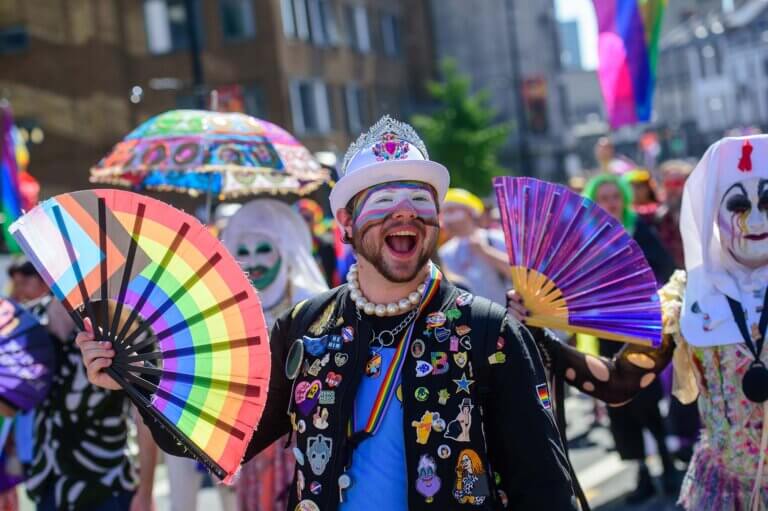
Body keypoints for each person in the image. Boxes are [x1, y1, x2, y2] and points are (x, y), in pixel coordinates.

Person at [78, 116, 578, 510]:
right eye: (384, 201)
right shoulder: (305, 328)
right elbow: (227, 435)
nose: (405, 213)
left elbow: (545, 488)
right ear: (345, 222)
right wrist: (133, 379)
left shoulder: (488, 331)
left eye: (419, 200)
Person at [508, 134, 768, 510]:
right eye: (739, 205)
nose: (756, 219)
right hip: (727, 495)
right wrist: (543, 339)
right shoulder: (685, 297)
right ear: (713, 214)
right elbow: (619, 381)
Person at [8, 261, 158, 511]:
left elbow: (147, 415)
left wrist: (145, 491)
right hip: (48, 484)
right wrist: (5, 479)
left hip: (109, 484)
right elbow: (14, 406)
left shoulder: (127, 326)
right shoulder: (28, 321)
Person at [222, 199, 329, 511]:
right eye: (242, 252)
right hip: (250, 441)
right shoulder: (230, 306)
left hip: (302, 439)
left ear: (284, 249)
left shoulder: (311, 303)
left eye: (264, 249)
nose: (254, 261)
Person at [582, 174, 677, 502]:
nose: (610, 202)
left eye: (614, 196)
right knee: (620, 406)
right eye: (603, 196)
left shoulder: (639, 230)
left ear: (623, 198)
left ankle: (667, 464)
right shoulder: (588, 239)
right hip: (607, 334)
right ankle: (643, 473)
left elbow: (665, 268)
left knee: (648, 401)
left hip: (641, 330)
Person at [438, 188, 511, 305]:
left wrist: (485, 252)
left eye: (451, 211)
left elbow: (517, 274)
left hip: (503, 315)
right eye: (444, 212)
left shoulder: (495, 238)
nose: (446, 218)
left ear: (470, 212)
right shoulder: (445, 252)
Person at [655, 160, 694, 269]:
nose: (672, 188)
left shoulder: (698, 213)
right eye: (668, 184)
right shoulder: (657, 216)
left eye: (677, 183)